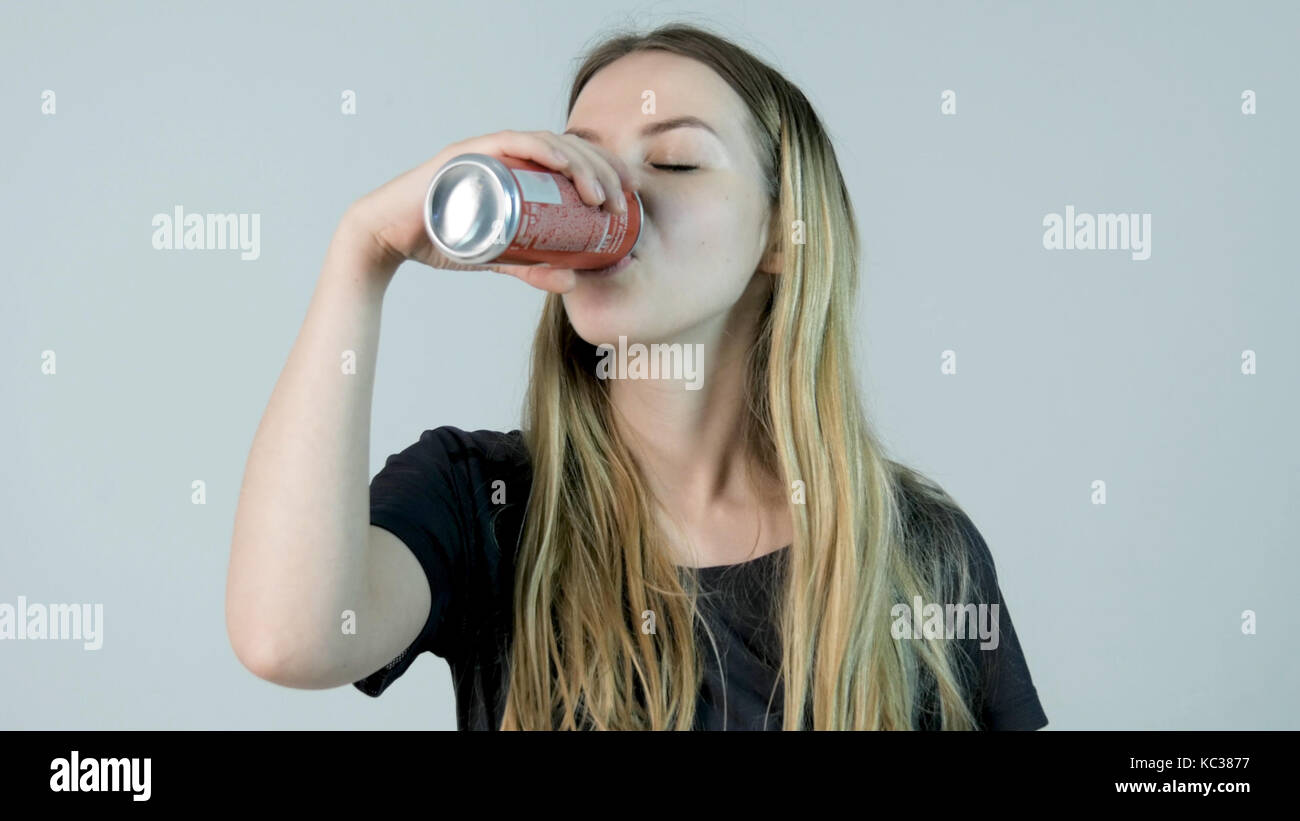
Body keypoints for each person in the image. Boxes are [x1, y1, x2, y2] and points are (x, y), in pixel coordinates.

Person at [226, 21, 1048, 731]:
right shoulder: (485, 503)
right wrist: (364, 250)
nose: (609, 193)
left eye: (679, 163)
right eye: (579, 163)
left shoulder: (916, 549)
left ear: (781, 236)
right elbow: (288, 637)